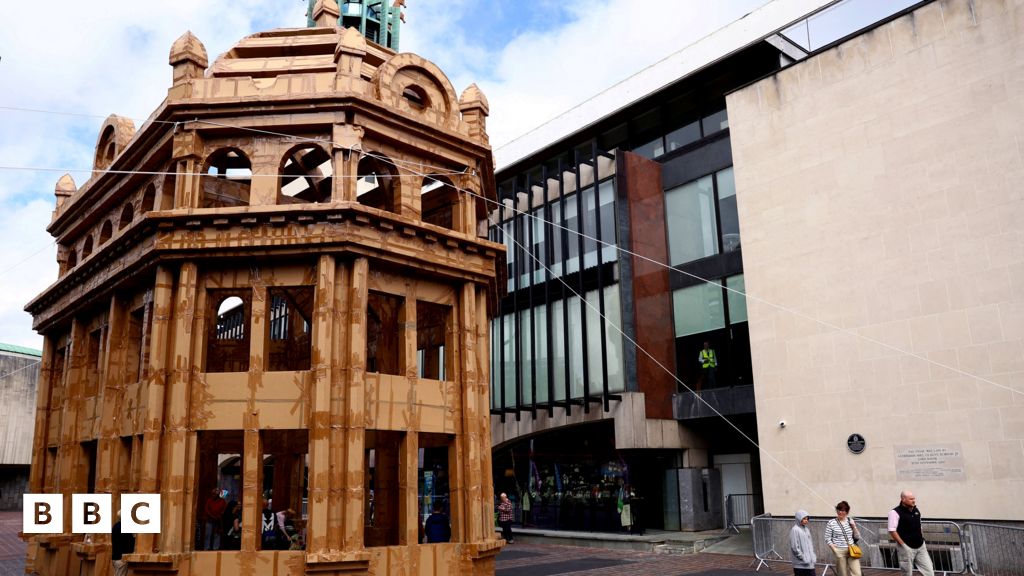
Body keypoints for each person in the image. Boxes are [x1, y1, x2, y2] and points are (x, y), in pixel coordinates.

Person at [888, 490, 934, 576]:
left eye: (914, 498)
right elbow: (892, 530)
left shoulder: (916, 510)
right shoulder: (894, 512)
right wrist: (904, 545)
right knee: (907, 573)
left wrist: (922, 540)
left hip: (920, 546)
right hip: (906, 548)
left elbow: (919, 526)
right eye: (910, 499)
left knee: (929, 572)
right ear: (903, 499)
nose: (913, 500)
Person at [825, 501, 862, 576]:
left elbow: (857, 537)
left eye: (843, 511)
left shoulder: (850, 521)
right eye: (838, 510)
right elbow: (827, 538)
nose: (840, 512)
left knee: (857, 573)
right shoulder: (831, 522)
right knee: (842, 574)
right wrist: (834, 549)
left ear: (847, 512)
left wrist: (854, 526)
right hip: (839, 551)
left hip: (852, 549)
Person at [789, 510, 817, 576]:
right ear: (799, 518)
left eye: (807, 519)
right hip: (800, 564)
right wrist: (802, 557)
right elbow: (794, 547)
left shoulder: (806, 529)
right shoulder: (795, 530)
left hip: (809, 563)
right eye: (804, 518)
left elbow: (810, 544)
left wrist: (811, 556)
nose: (806, 520)